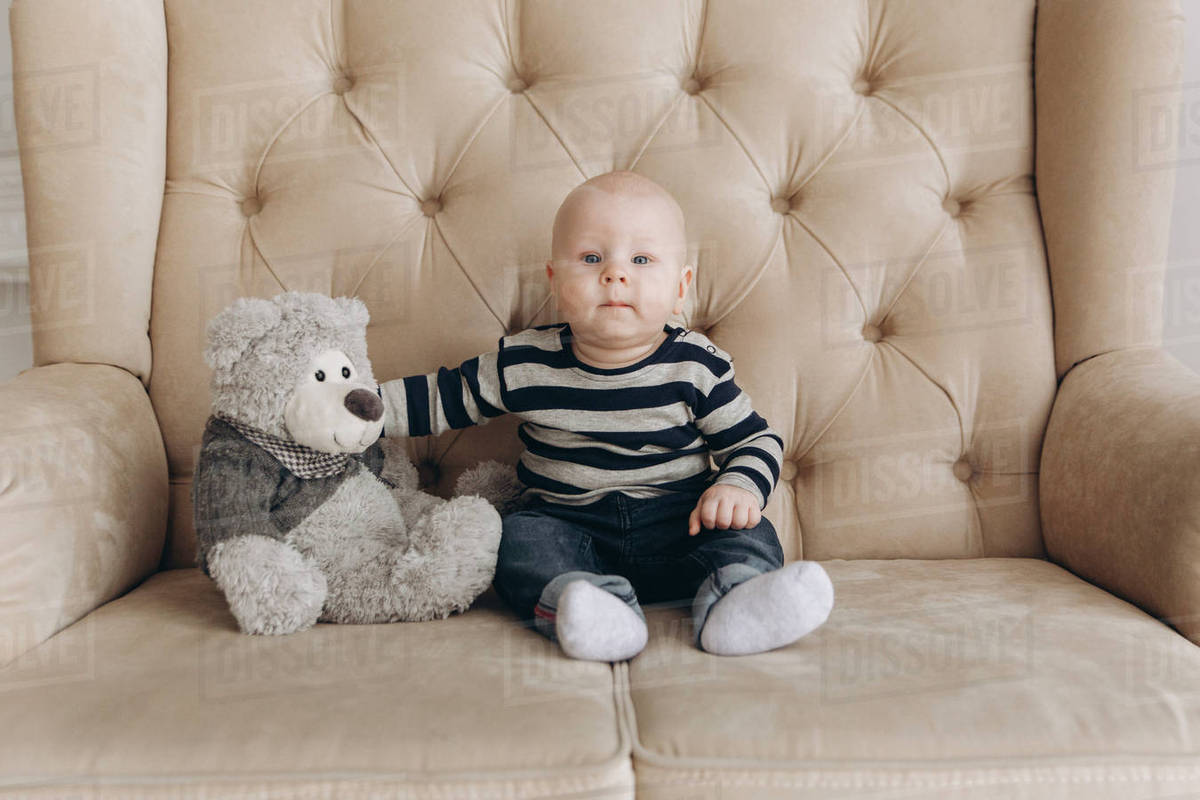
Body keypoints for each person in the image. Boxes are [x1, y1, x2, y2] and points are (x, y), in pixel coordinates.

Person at [378, 170, 834, 661]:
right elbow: (444, 395)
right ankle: (590, 608)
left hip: (682, 524)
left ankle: (737, 600)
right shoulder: (524, 362)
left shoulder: (696, 367)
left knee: (748, 532)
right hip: (568, 526)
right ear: (555, 281)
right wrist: (358, 411)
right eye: (592, 258)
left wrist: (738, 487)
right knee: (518, 538)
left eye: (641, 259)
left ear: (680, 287)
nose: (615, 274)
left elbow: (755, 441)